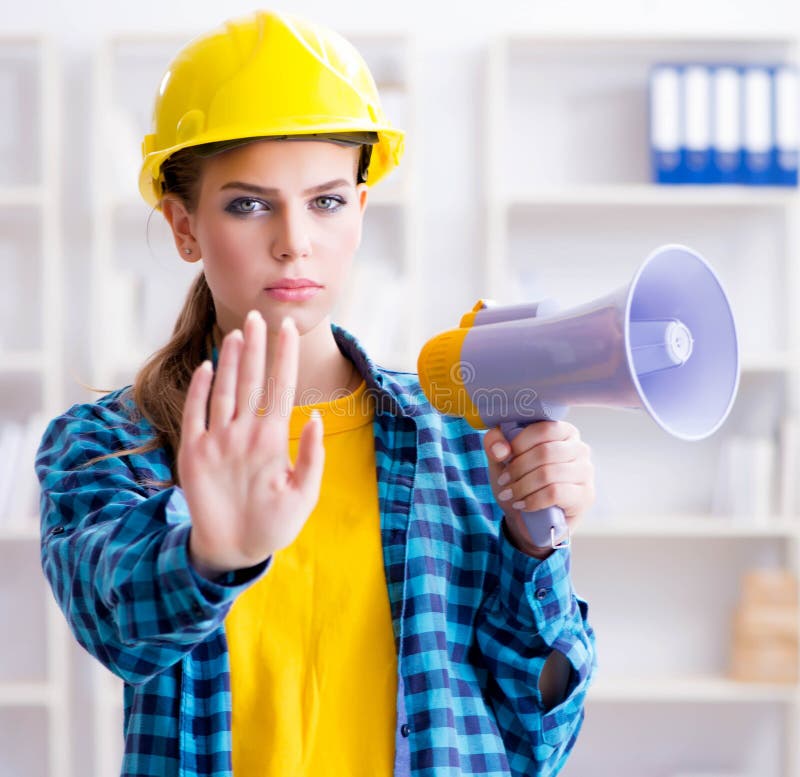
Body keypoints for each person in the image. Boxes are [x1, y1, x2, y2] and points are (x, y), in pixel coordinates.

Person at [35, 9, 597, 777]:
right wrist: (212, 553)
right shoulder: (107, 443)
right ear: (182, 226)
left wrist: (538, 544)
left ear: (360, 213)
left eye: (327, 200)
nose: (294, 239)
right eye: (248, 202)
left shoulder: (464, 438)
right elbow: (116, 625)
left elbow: (537, 739)